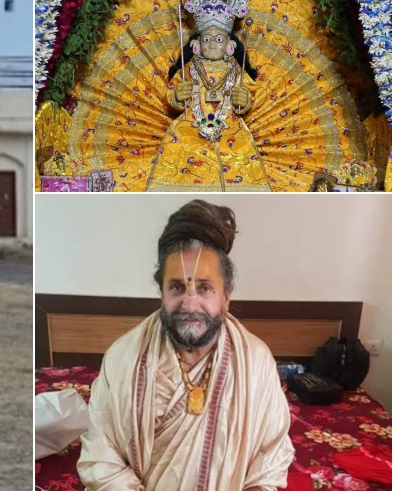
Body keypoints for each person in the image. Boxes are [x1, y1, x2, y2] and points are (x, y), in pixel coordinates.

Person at [77, 199, 294, 490]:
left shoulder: (256, 364)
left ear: (226, 297)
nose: (190, 303)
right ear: (162, 293)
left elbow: (272, 457)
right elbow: (100, 457)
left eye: (204, 288)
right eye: (177, 287)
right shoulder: (122, 359)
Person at [147, 0, 270, 191]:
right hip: (188, 130)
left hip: (231, 131)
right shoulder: (188, 69)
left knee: (238, 157)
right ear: (196, 44)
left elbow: (250, 96)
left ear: (231, 46)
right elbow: (172, 96)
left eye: (220, 39)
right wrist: (176, 96)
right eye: (207, 38)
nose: (213, 43)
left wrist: (244, 101)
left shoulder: (237, 71)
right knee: (183, 152)